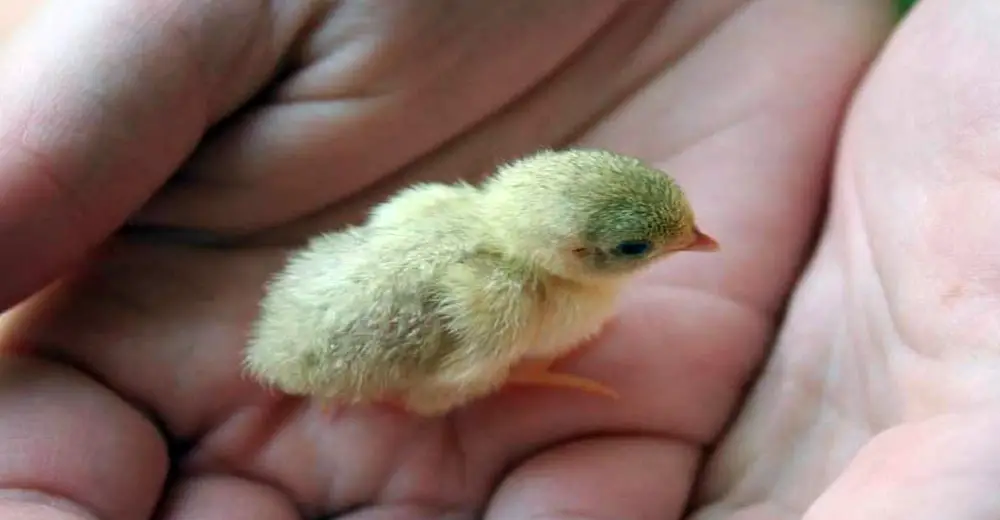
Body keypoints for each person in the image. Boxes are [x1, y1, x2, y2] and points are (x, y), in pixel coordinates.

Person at [0, 1, 993, 519]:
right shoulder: (513, 305)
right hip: (373, 357)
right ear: (570, 250)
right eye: (644, 246)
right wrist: (509, 373)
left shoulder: (447, 201)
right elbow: (452, 382)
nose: (688, 248)